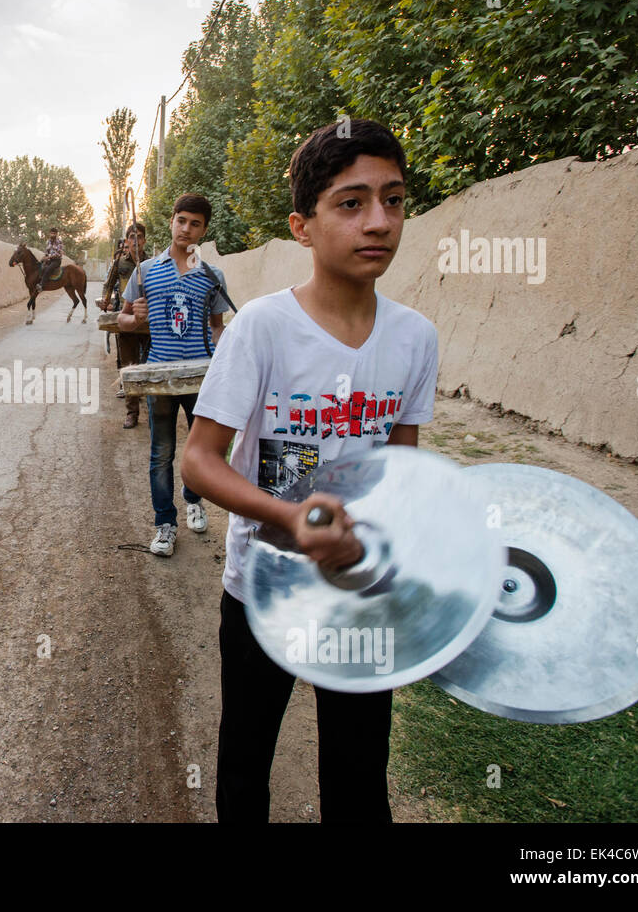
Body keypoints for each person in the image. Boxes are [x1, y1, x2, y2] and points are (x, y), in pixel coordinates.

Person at [181, 119, 439, 823]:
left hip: (358, 593)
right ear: (303, 224)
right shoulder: (262, 329)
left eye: (394, 199)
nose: (379, 221)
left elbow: (399, 467)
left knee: (360, 781)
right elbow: (199, 460)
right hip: (263, 590)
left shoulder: (416, 338)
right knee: (245, 768)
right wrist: (290, 516)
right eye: (351, 203)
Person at [117, 195, 229, 556]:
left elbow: (217, 329)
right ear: (171, 221)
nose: (187, 229)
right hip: (159, 378)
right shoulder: (145, 271)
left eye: (195, 223)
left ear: (204, 229)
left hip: (200, 379)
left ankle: (193, 497)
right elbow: (120, 320)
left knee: (202, 449)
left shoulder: (212, 275)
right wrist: (136, 318)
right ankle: (165, 524)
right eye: (182, 220)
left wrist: (224, 364)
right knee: (161, 453)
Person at [102, 223, 148, 428]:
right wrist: (106, 300)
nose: (135, 241)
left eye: (139, 237)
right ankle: (132, 413)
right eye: (132, 237)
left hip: (150, 322)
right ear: (127, 241)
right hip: (126, 319)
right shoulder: (120, 263)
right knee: (129, 367)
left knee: (149, 366)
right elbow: (108, 284)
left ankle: (153, 412)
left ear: (144, 240)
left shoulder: (154, 264)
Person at [36, 226, 64, 292]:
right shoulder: (48, 241)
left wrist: (50, 257)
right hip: (49, 260)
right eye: (51, 233)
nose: (52, 235)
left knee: (48, 269)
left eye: (54, 233)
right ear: (49, 234)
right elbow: (47, 251)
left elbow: (59, 253)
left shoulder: (59, 242)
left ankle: (41, 285)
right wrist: (44, 257)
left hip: (56, 261)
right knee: (40, 266)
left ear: (56, 234)